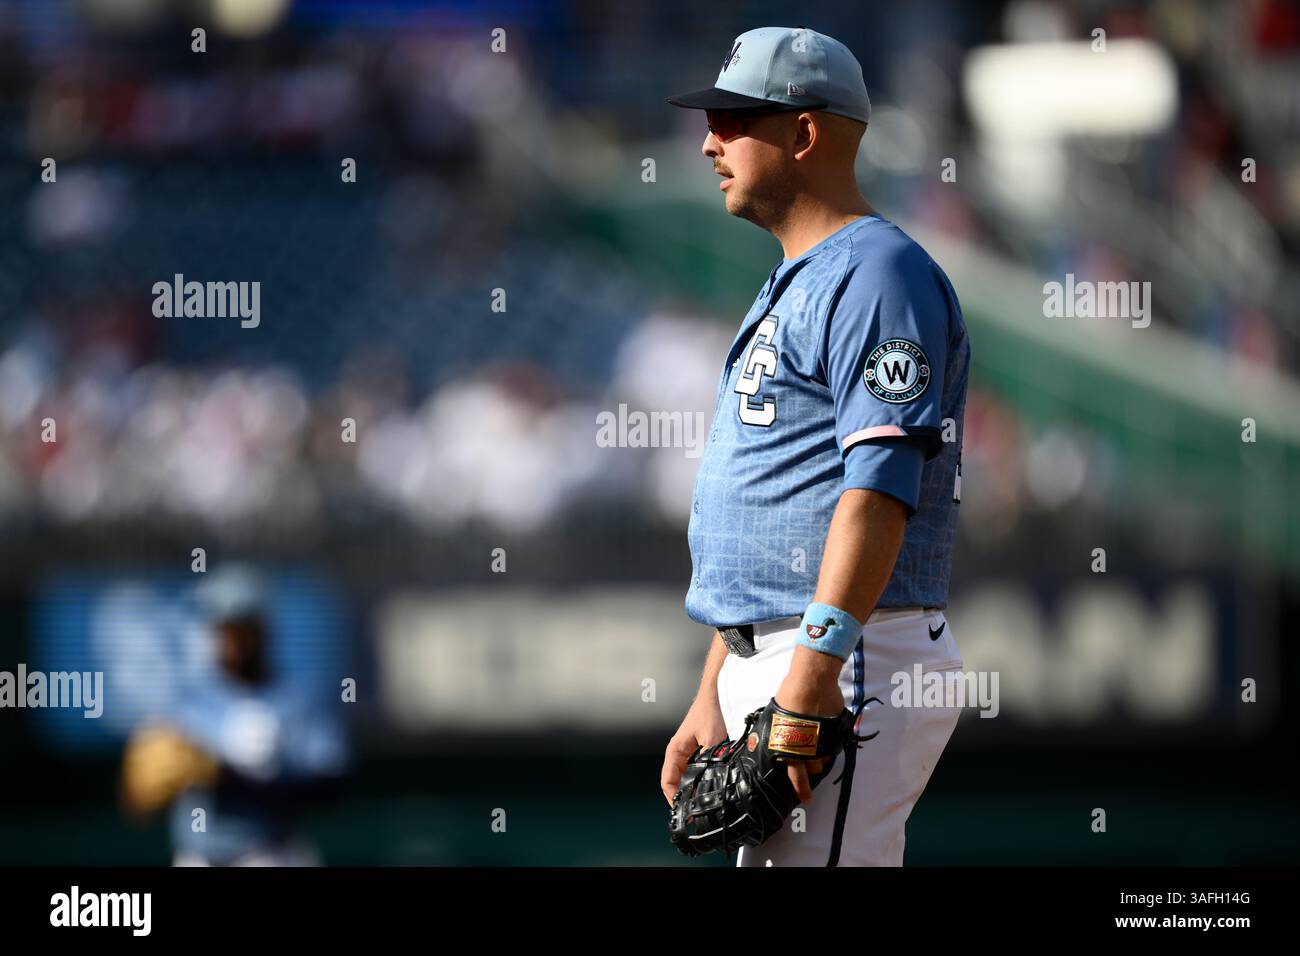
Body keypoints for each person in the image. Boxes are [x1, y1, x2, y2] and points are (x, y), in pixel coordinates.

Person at [660, 26, 971, 866]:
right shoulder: (802, 275)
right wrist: (714, 687)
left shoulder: (878, 275)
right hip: (790, 655)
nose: (708, 141)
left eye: (733, 118)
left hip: (846, 654)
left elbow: (876, 491)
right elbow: (779, 503)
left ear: (803, 133)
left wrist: (810, 676)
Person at [120, 567, 348, 866]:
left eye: (239, 625)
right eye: (220, 626)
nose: (229, 637)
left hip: (269, 853)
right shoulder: (188, 698)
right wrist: (142, 793)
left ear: (262, 628)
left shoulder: (298, 698)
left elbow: (329, 786)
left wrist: (228, 775)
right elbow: (138, 805)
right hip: (198, 857)